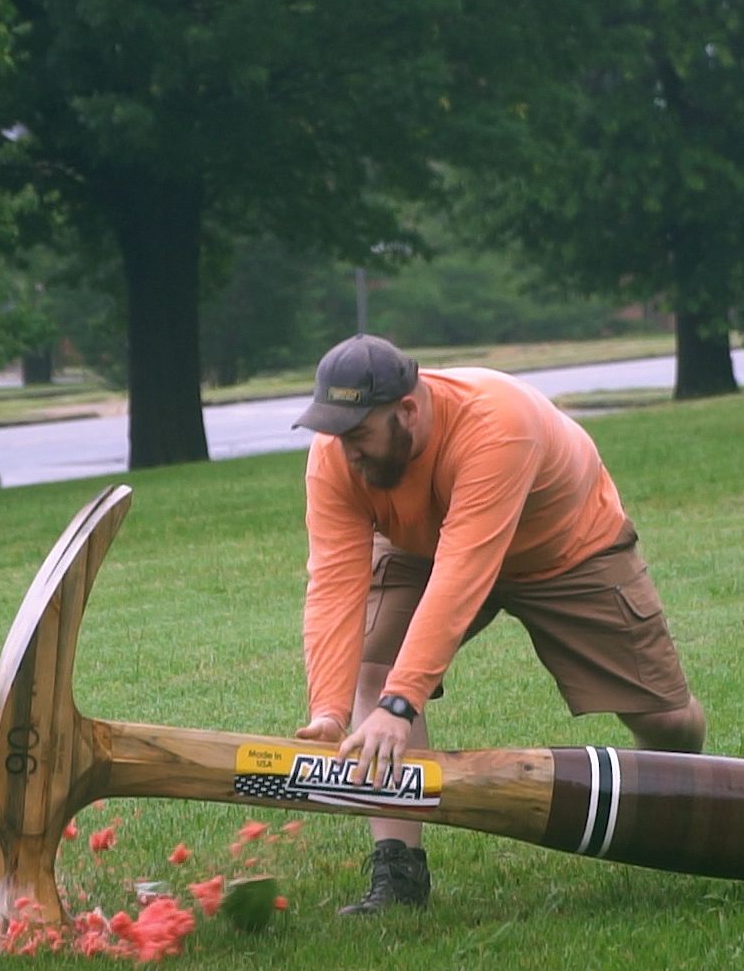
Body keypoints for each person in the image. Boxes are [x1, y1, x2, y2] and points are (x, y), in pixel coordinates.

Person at [290, 334, 706, 915]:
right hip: (420, 545)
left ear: (407, 411)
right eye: (337, 434)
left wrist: (401, 704)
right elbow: (334, 583)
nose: (346, 451)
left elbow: (463, 571)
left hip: (564, 547)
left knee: (664, 716)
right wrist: (329, 711)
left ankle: (689, 802)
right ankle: (399, 875)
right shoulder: (337, 456)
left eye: (359, 434)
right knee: (372, 672)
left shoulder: (497, 423)